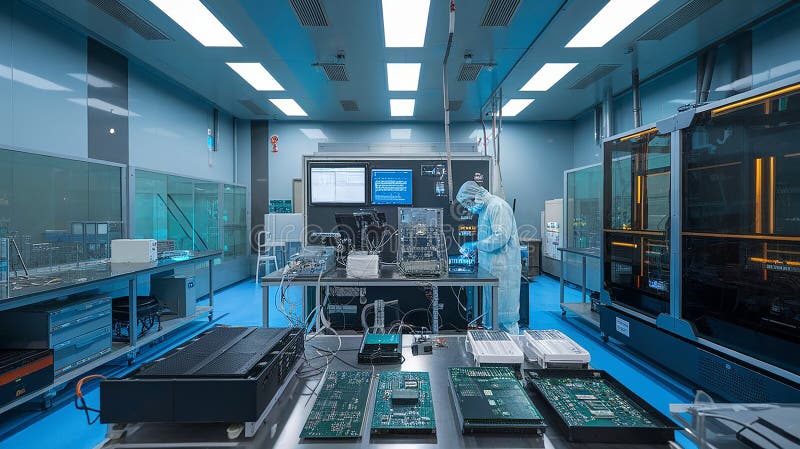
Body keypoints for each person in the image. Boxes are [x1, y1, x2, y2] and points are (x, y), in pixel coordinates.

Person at [456, 181, 521, 335]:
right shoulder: (485, 210)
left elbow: (500, 238)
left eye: (467, 203)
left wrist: (475, 245)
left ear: (475, 196)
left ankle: (512, 355)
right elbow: (489, 239)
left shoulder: (497, 206)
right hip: (492, 270)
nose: (467, 208)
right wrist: (477, 251)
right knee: (493, 316)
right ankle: (495, 352)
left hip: (503, 270)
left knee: (505, 317)